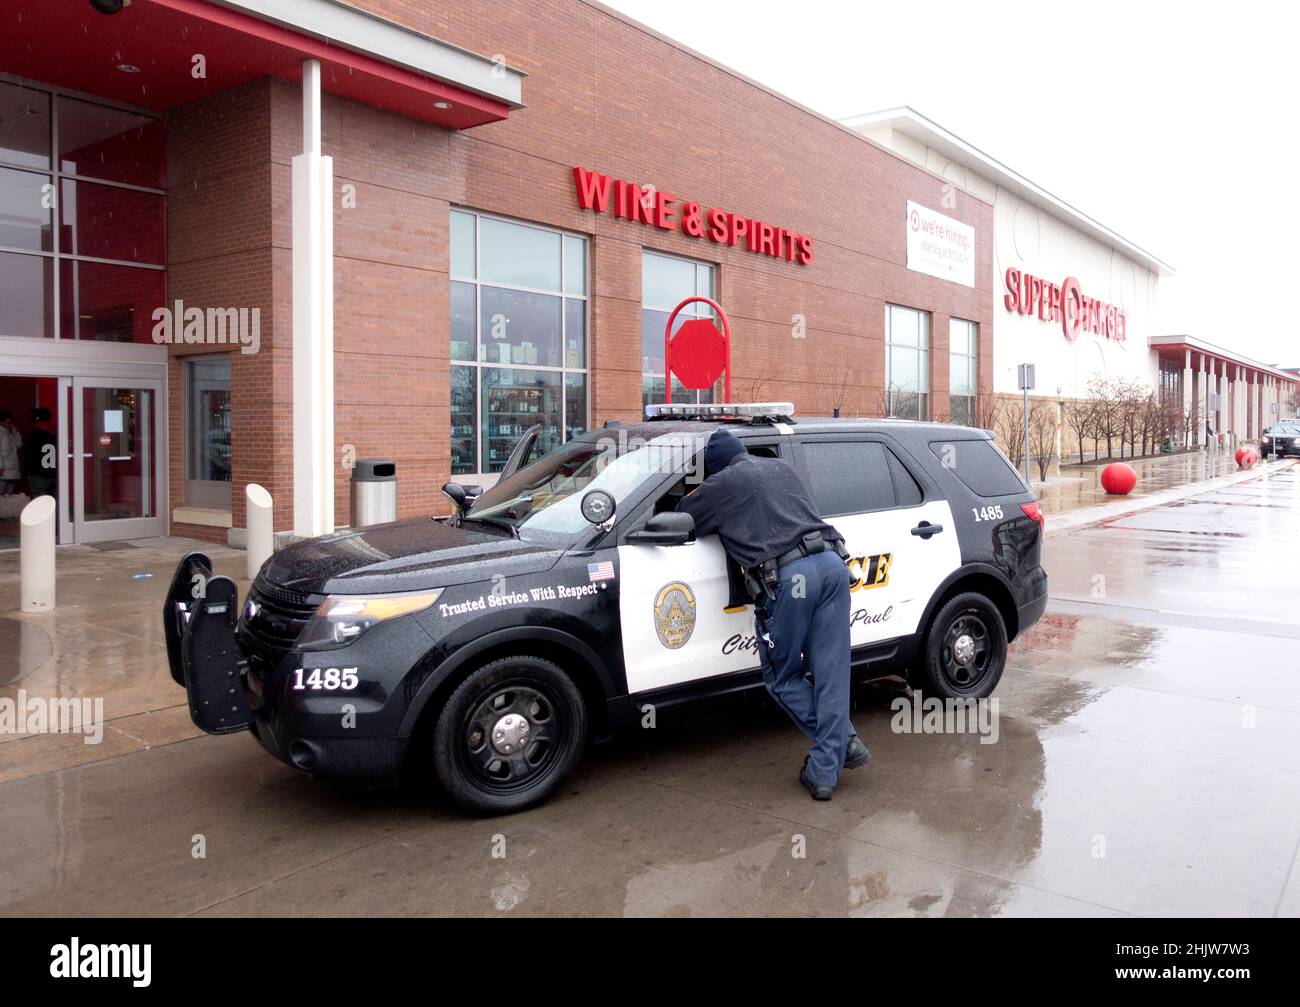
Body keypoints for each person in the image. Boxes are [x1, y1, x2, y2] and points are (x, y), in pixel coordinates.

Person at [676, 427, 869, 800]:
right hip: (832, 565)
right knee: (831, 672)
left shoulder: (719, 486)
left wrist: (696, 492)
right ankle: (827, 765)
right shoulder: (780, 467)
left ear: (713, 468)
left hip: (790, 579)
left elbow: (685, 518)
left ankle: (839, 749)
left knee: (783, 676)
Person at [25, 407, 57, 501]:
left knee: (40, 502)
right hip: (53, 473)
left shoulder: (34, 435)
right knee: (54, 501)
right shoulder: (54, 434)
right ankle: (56, 516)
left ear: (37, 419)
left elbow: (30, 456)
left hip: (38, 474)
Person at [0, 411, 21, 496]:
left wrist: (16, 432)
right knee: (1, 495)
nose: (9, 423)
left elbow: (19, 445)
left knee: (9, 495)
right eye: (7, 421)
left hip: (12, 468)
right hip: (3, 470)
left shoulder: (9, 432)